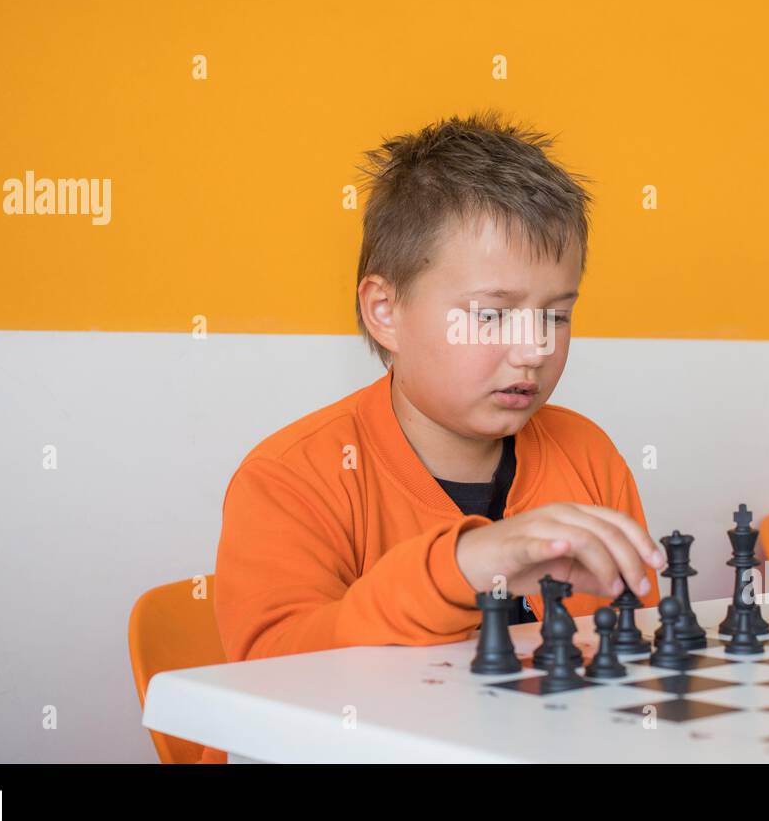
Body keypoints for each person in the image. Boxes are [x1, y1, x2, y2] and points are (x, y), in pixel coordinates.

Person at [199, 111, 664, 762]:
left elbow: (634, 651)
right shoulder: (290, 477)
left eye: (557, 315)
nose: (532, 349)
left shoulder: (587, 455)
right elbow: (272, 683)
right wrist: (463, 566)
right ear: (385, 311)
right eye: (492, 314)